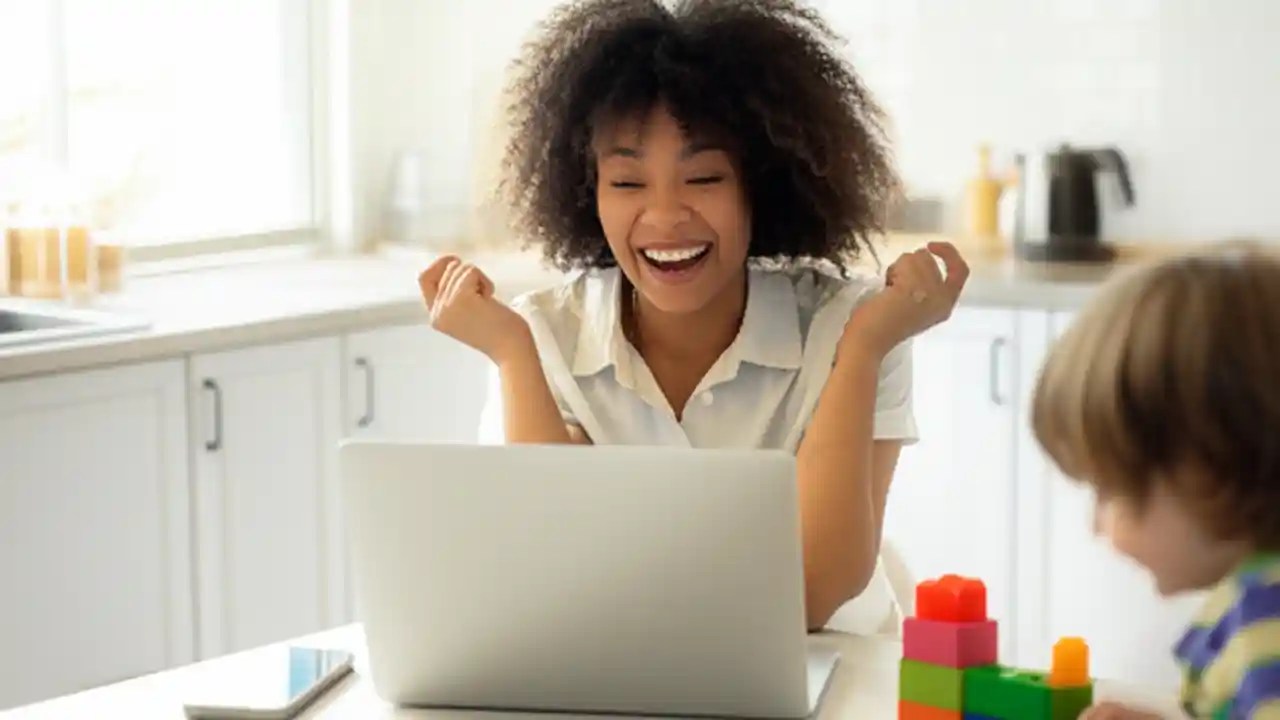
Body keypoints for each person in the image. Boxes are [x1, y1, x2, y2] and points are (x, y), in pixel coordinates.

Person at [418, 0, 969, 632]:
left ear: (758, 187)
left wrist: (866, 346)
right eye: (627, 184)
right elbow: (554, 587)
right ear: (586, 192)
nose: (664, 217)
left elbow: (809, 597)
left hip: (834, 673)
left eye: (704, 178)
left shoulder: (859, 327)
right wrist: (514, 354)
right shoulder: (540, 337)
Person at [1031, 242, 1280, 719]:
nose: (1097, 526)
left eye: (1111, 490)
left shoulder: (1266, 634)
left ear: (1210, 466)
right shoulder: (1251, 600)